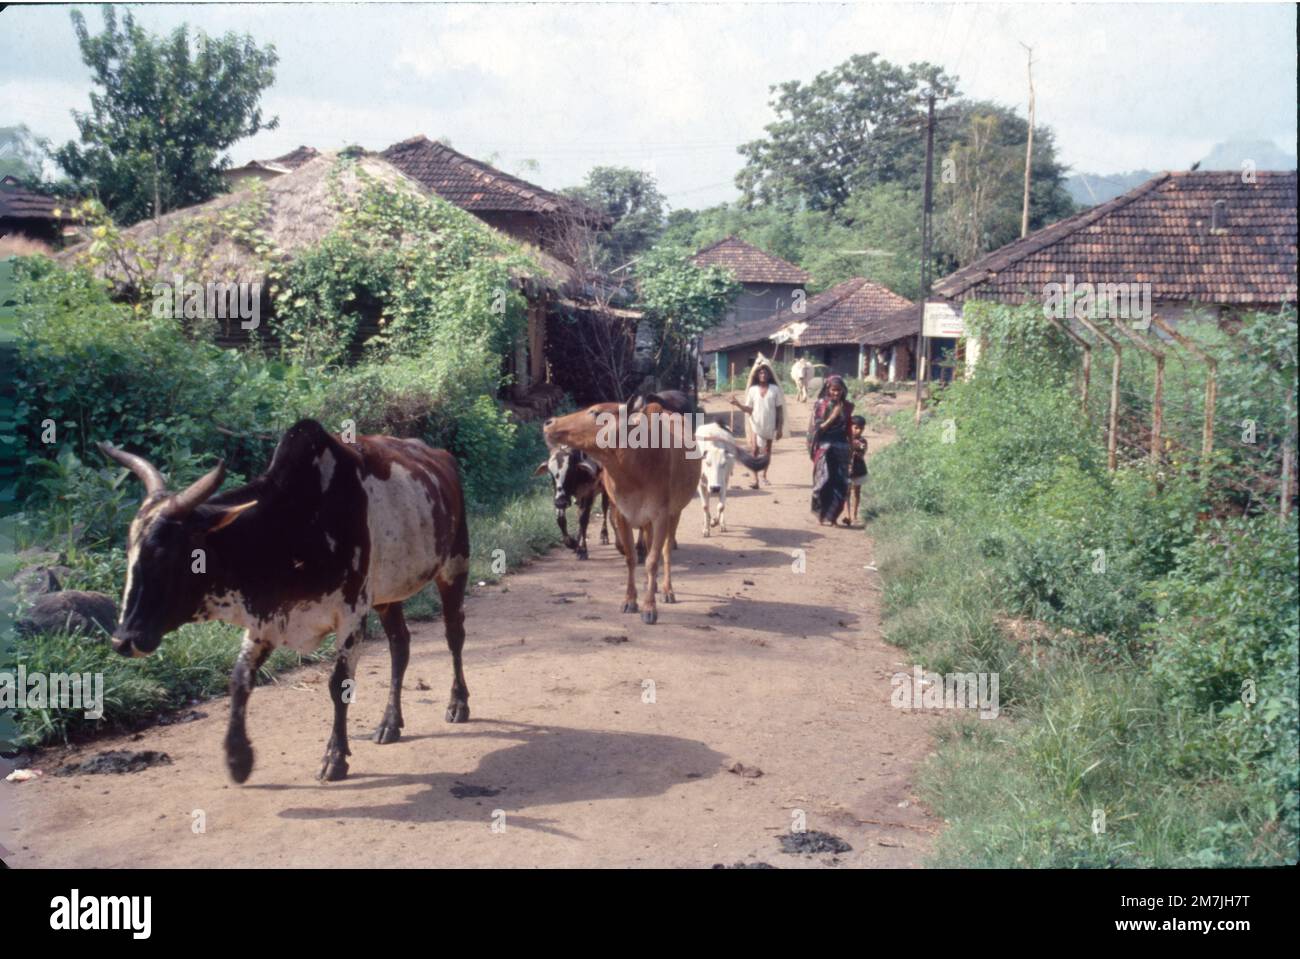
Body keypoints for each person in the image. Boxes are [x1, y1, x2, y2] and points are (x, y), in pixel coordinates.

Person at [728, 360, 784, 488]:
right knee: (754, 450)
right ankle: (755, 479)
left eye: (765, 373)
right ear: (757, 376)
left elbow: (779, 410)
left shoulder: (775, 390)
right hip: (755, 423)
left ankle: (764, 476)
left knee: (767, 451)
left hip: (769, 424)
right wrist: (738, 404)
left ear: (769, 375)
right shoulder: (753, 390)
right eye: (761, 373)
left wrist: (780, 428)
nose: (763, 375)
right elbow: (749, 409)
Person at [808, 374, 854, 526]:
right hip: (825, 446)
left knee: (840, 482)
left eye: (839, 390)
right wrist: (833, 416)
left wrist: (852, 446)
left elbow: (848, 428)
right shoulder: (821, 405)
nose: (836, 393)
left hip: (841, 446)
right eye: (834, 390)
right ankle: (821, 514)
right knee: (823, 481)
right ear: (828, 389)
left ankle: (834, 517)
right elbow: (818, 429)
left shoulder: (847, 406)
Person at [843, 415, 868, 527]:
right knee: (846, 493)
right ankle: (847, 515)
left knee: (856, 493)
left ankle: (854, 515)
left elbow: (862, 451)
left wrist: (853, 446)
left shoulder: (862, 441)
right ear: (850, 427)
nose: (858, 431)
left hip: (858, 469)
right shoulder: (845, 439)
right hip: (846, 469)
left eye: (861, 429)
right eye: (856, 427)